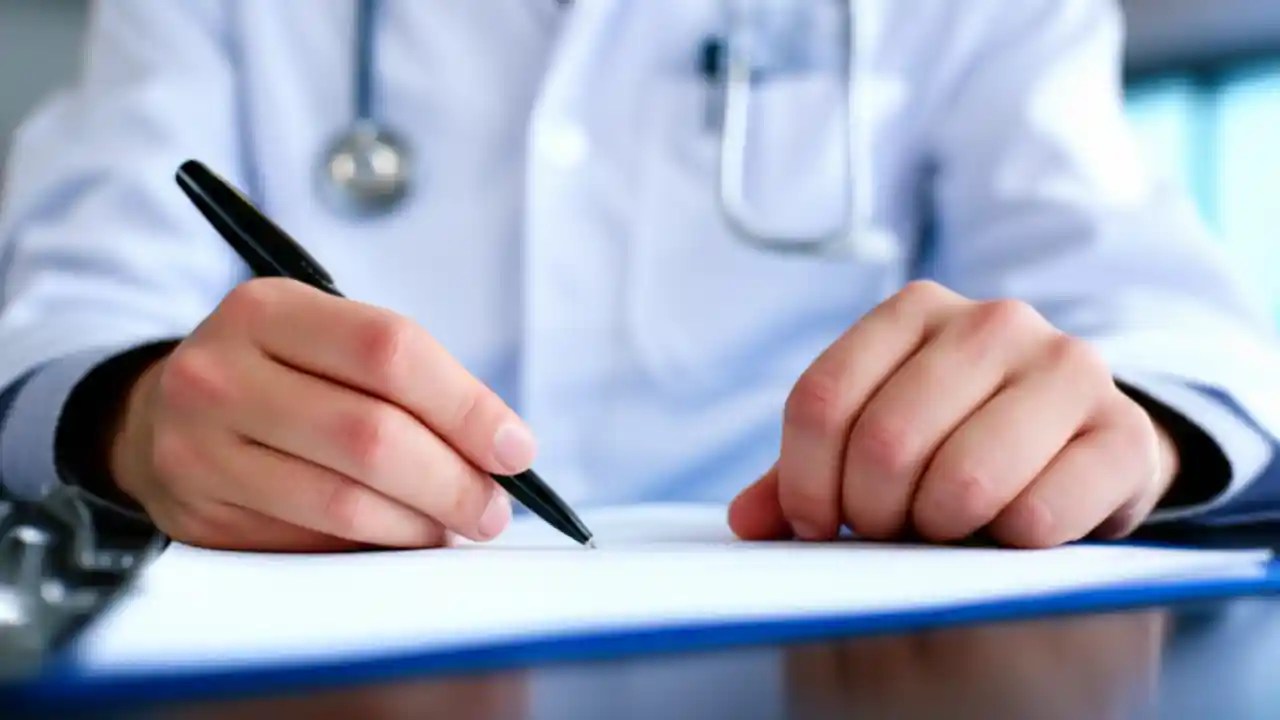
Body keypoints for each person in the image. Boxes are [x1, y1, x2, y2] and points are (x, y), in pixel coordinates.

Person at [0, 0, 1276, 552]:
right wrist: (133, 414)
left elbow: (1174, 324)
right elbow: (61, 310)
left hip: (826, 661)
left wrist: (1127, 424)